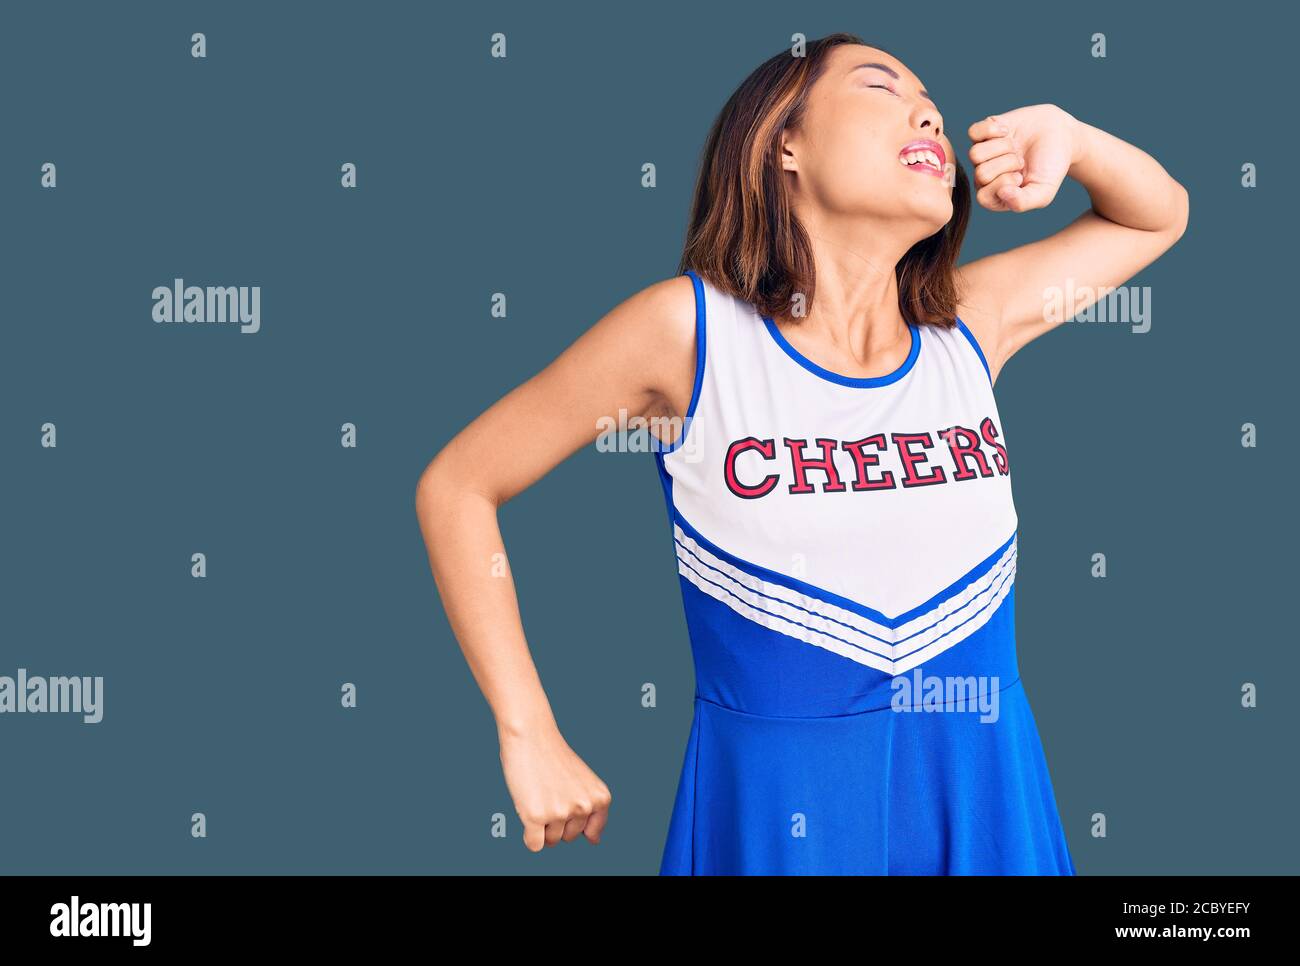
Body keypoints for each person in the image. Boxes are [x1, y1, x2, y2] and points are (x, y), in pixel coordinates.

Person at [415, 32, 1188, 874]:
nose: (928, 110)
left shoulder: (969, 323)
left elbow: (1156, 213)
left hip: (984, 789)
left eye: (930, 99)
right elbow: (459, 484)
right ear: (785, 142)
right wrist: (527, 731)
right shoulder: (687, 332)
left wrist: (1072, 140)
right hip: (778, 804)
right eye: (880, 86)